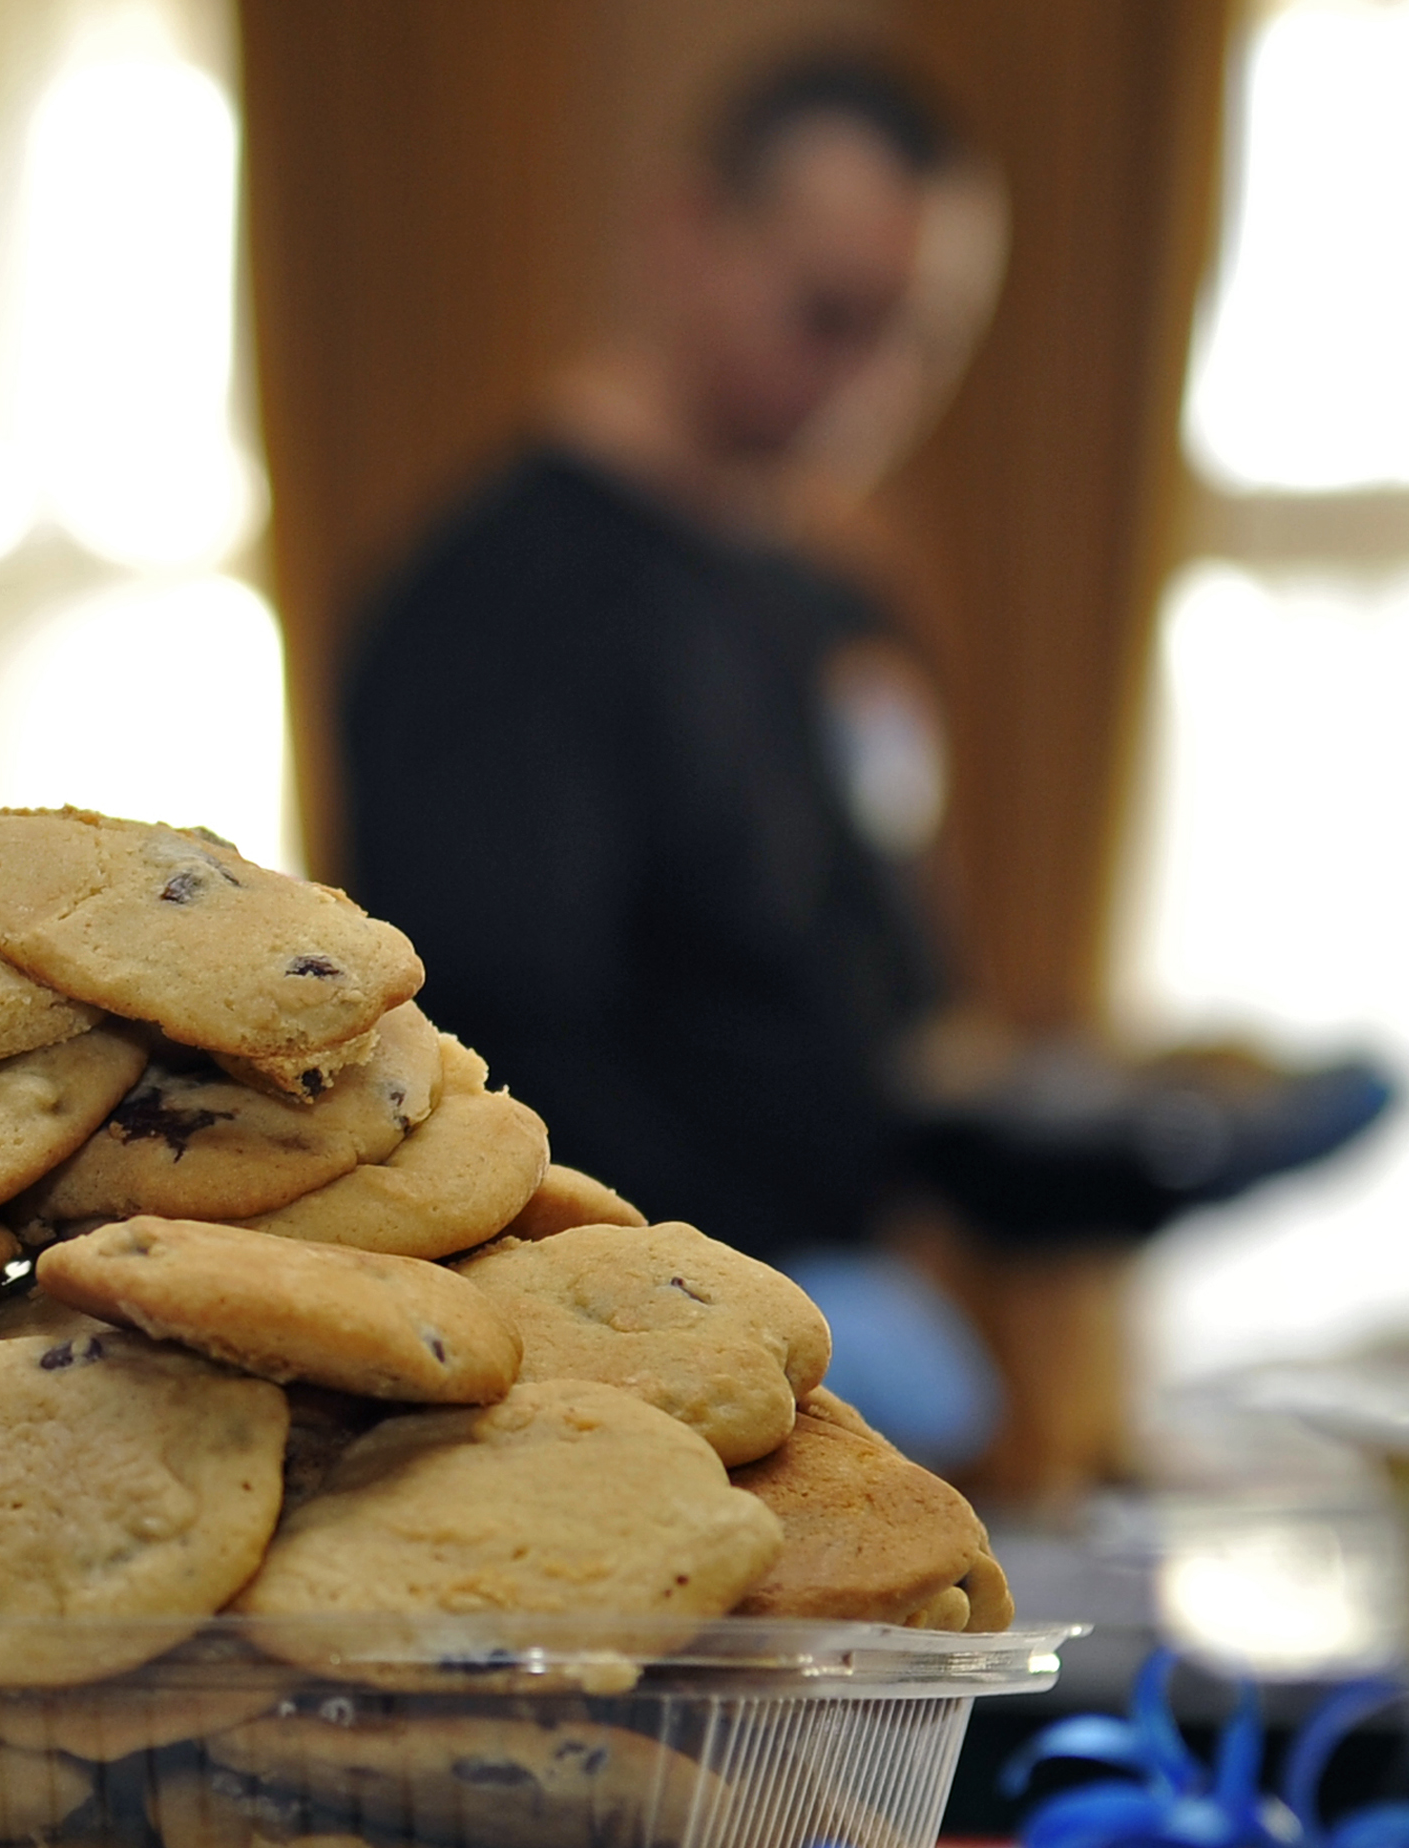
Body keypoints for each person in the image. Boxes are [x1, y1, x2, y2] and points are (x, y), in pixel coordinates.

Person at [339, 51, 1000, 1465]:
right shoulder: (496, 607)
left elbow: (865, 991)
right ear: (688, 235)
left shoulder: (834, 609)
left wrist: (1080, 1156)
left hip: (815, 1364)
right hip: (601, 1388)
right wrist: (743, 1287)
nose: (875, 382)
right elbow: (491, 1060)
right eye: (830, 314)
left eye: (923, 340)